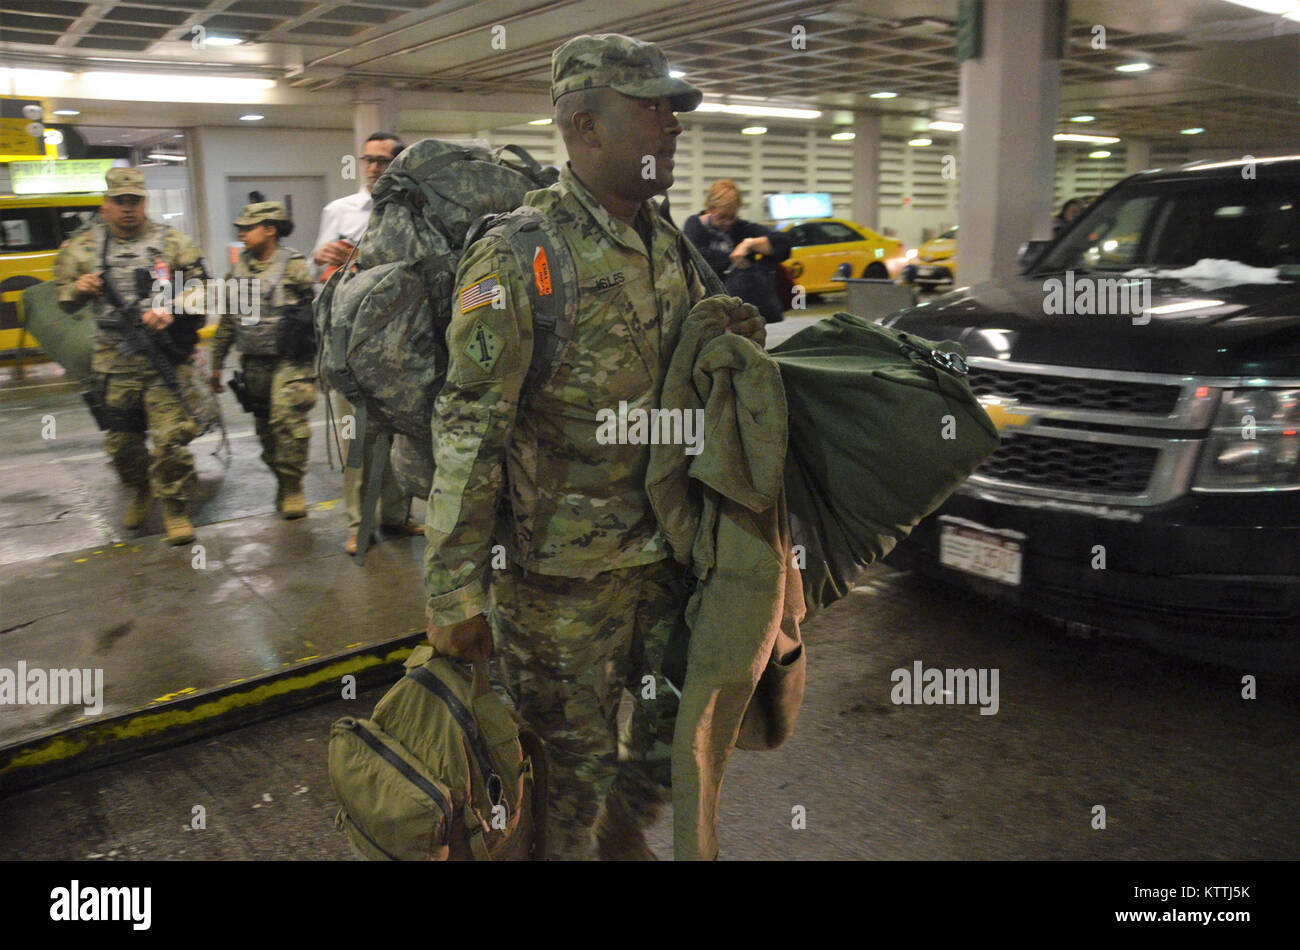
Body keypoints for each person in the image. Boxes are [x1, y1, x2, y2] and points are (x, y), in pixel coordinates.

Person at [422, 33, 765, 861]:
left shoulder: (669, 242)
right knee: (564, 770)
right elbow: (470, 428)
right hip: (560, 583)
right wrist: (451, 588)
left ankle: (622, 838)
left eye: (674, 110)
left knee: (667, 740)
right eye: (650, 109)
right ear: (583, 125)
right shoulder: (520, 252)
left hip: (668, 556)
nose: (671, 127)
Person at [53, 166, 208, 545]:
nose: (127, 209)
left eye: (134, 201)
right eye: (119, 202)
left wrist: (170, 307)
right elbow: (63, 300)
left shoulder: (171, 242)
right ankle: (141, 489)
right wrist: (78, 287)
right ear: (105, 205)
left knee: (169, 440)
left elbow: (203, 289)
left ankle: (175, 509)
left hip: (161, 358)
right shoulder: (82, 248)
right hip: (112, 362)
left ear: (144, 202)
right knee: (122, 444)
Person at [310, 131, 424, 553]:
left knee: (399, 433)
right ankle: (359, 524)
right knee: (356, 435)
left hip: (400, 343)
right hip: (349, 342)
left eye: (384, 160)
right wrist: (322, 260)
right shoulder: (339, 211)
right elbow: (314, 271)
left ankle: (396, 518)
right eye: (369, 160)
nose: (375, 167)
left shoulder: (416, 211)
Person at [208, 202, 317, 518]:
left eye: (248, 227)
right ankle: (283, 479)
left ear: (270, 229)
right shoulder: (239, 271)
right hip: (254, 364)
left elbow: (315, 317)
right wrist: (216, 364)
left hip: (290, 362)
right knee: (267, 436)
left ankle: (294, 486)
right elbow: (229, 322)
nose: (241, 233)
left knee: (288, 421)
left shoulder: (294, 266)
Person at [682, 179, 792, 323]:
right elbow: (699, 258)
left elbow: (784, 244)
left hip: (741, 313)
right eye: (722, 217)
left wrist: (750, 244)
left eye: (732, 217)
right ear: (710, 208)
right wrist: (735, 258)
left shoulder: (743, 228)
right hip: (706, 311)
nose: (727, 222)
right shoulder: (694, 226)